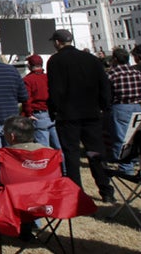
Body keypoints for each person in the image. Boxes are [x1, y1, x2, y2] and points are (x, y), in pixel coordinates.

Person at [45, 28, 115, 203]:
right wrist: (104, 106)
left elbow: (54, 89)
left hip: (68, 114)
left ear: (58, 42)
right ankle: (106, 190)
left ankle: (76, 192)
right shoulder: (91, 59)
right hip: (92, 112)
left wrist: (54, 110)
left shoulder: (55, 61)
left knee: (71, 155)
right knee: (96, 152)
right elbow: (104, 85)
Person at [107, 47, 141, 174]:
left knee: (121, 138)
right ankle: (136, 161)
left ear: (115, 59)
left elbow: (108, 93)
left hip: (121, 106)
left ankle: (126, 167)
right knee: (136, 136)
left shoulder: (112, 74)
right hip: (138, 106)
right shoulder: (137, 73)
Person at [21, 54, 58, 149]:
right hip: (51, 113)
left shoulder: (27, 80)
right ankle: (62, 159)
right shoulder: (49, 77)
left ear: (29, 66)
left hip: (38, 113)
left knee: (43, 147)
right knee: (58, 145)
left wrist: (28, 113)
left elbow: (26, 98)